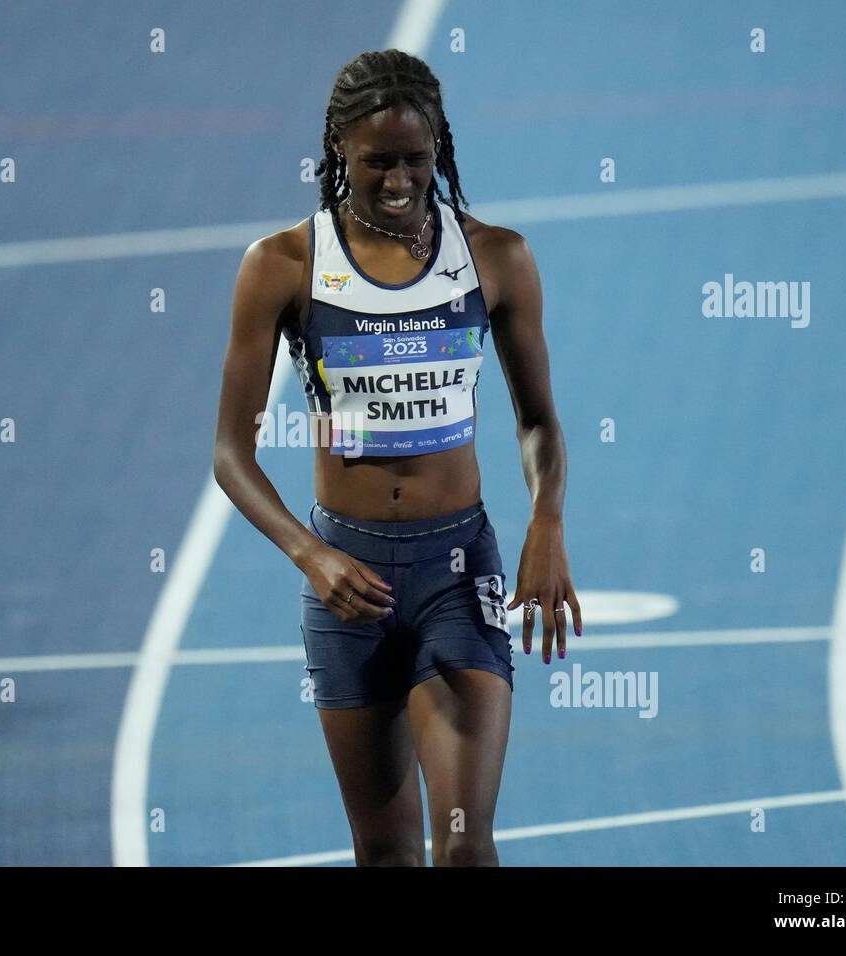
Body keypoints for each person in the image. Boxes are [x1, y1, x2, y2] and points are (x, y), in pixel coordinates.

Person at [213, 50, 580, 866]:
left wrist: (546, 522)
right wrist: (312, 556)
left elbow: (540, 425)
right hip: (350, 583)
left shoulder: (496, 258)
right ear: (337, 146)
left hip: (458, 571)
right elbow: (230, 454)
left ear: (440, 147)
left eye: (417, 160)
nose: (400, 181)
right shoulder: (283, 266)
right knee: (385, 854)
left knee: (463, 846)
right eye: (379, 162)